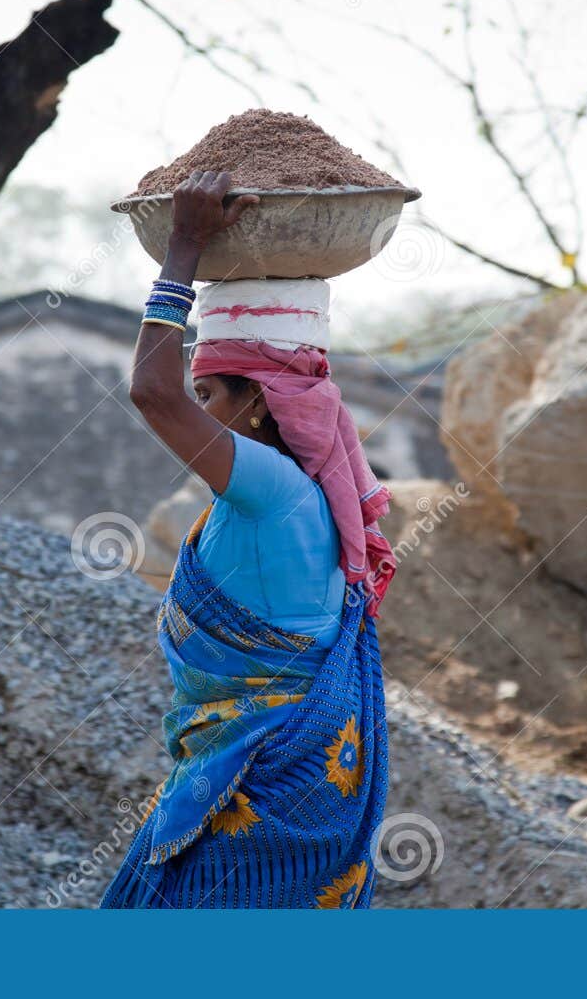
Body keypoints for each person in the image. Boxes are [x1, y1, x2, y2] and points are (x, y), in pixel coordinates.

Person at [101, 169, 397, 910]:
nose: (196, 411)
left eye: (209, 395)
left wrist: (183, 248)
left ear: (260, 401)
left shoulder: (271, 488)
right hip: (281, 777)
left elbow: (150, 390)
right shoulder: (309, 497)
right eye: (197, 393)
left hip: (254, 786)